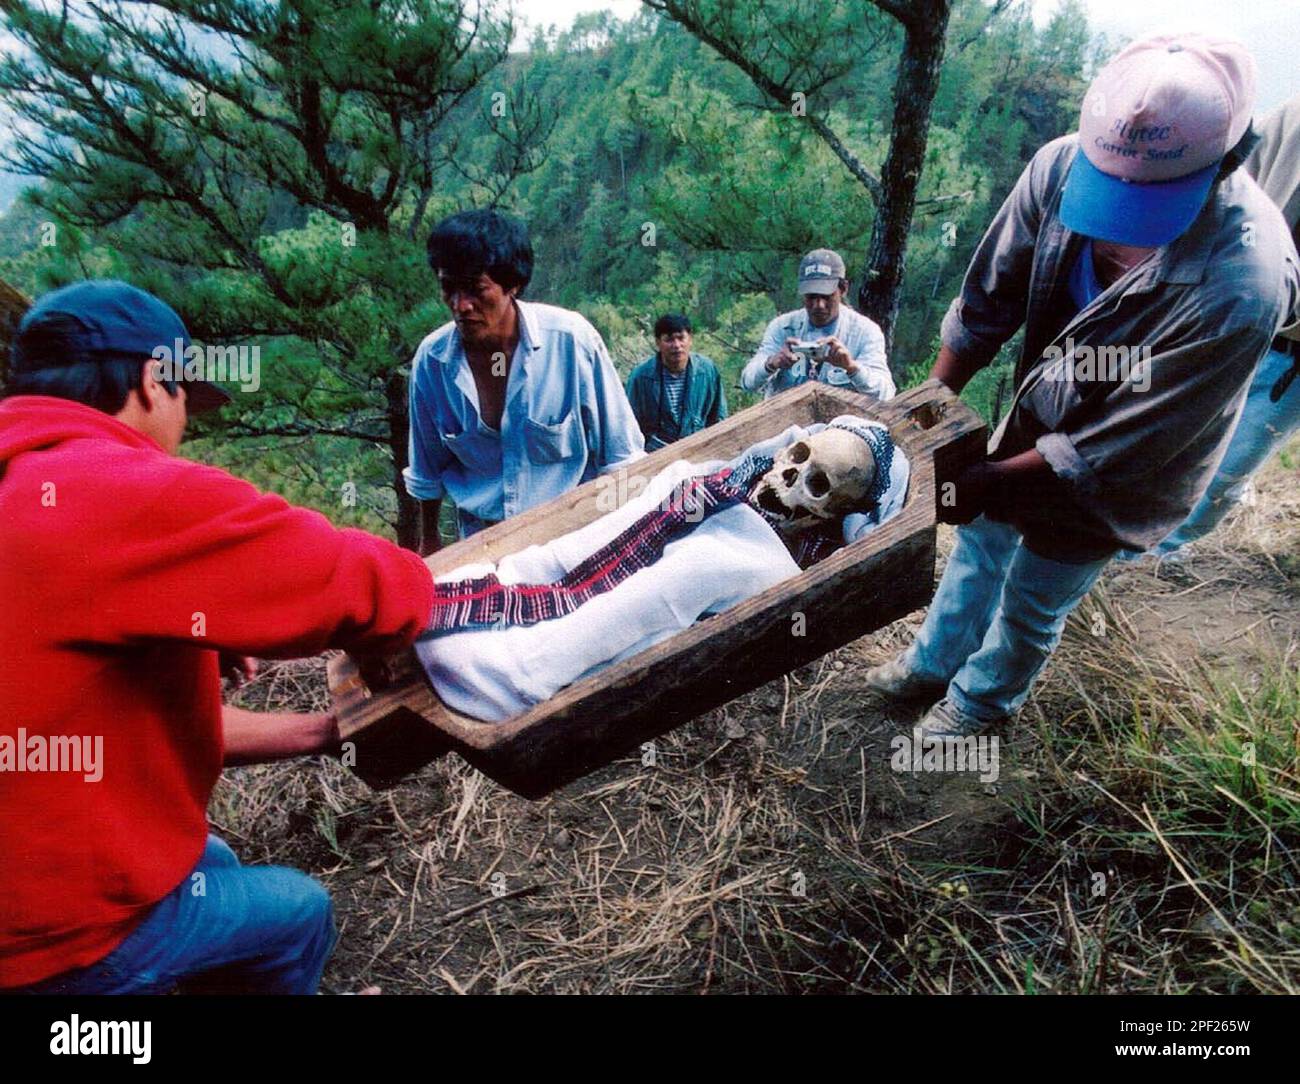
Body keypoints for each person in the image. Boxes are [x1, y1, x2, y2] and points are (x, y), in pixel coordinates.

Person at [0, 280, 436, 994]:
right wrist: (439, 589)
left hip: (31, 866)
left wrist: (323, 730)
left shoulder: (21, 479)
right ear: (150, 380)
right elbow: (347, 579)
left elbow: (98, 712)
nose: (184, 426)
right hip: (51, 940)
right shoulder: (102, 481)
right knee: (300, 913)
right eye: (183, 401)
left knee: (217, 867)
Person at [865, 34, 1300, 738]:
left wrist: (987, 480)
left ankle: (979, 704)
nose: (1120, 233)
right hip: (1046, 404)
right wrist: (922, 416)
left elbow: (1119, 446)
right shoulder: (1061, 166)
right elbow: (987, 304)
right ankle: (932, 663)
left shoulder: (1242, 287)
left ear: (1226, 165)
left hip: (1130, 461)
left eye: (1149, 208)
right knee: (981, 548)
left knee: (1037, 593)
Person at [405, 209, 645, 554]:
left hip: (575, 535)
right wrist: (429, 546)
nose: (461, 305)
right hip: (481, 544)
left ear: (512, 284)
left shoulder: (571, 342)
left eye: (475, 290)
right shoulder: (433, 361)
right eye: (449, 289)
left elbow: (622, 457)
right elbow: (427, 472)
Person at [1140, 92, 1300, 558]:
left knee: (1225, 473)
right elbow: (1231, 190)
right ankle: (1118, 558)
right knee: (1166, 442)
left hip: (1287, 362)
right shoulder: (1290, 117)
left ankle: (1150, 565)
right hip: (1227, 320)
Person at [739, 248, 895, 401]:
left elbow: (885, 394)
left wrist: (851, 368)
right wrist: (772, 363)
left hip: (841, 423)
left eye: (826, 296)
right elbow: (747, 382)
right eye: (811, 297)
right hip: (783, 422)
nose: (818, 305)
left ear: (843, 289)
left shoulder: (865, 332)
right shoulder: (782, 327)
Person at [624, 313, 728, 450]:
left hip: (699, 448)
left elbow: (719, 417)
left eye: (681, 338)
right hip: (655, 454)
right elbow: (629, 425)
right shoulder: (641, 377)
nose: (677, 345)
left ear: (690, 339)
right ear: (658, 343)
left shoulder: (707, 370)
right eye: (669, 340)